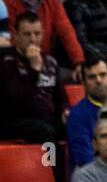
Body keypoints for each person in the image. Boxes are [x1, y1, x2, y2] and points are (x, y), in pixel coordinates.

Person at [0, 12, 63, 144]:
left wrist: (66, 111)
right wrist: (34, 70)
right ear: (16, 36)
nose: (33, 39)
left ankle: (81, 165)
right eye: (27, 34)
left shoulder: (50, 61)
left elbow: (60, 97)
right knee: (46, 132)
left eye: (37, 34)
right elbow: (16, 99)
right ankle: (50, 164)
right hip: (16, 120)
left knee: (77, 125)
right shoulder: (7, 61)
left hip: (47, 117)